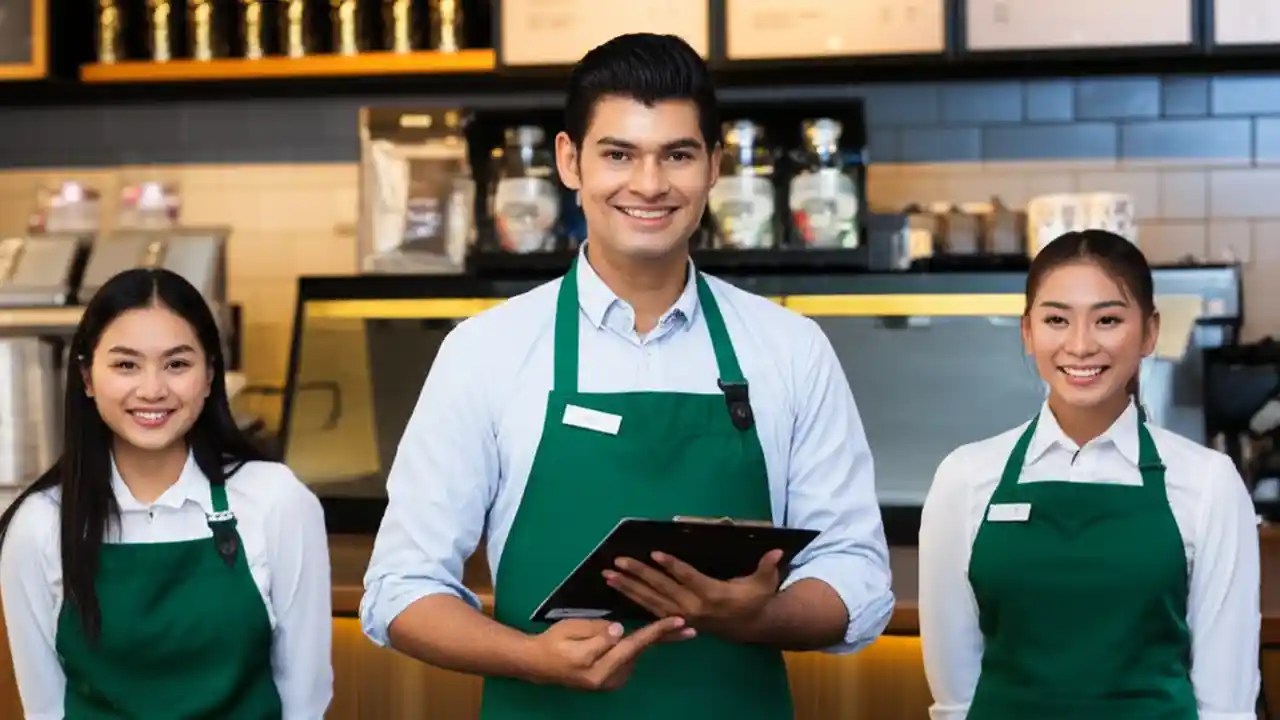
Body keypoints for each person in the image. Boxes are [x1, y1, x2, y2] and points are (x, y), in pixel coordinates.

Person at [360, 32, 893, 719]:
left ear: (713, 166)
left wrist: (756, 618)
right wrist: (532, 658)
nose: (649, 185)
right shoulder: (485, 351)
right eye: (619, 154)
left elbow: (856, 572)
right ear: (569, 161)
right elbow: (401, 589)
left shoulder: (791, 348)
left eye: (677, 154)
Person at [918, 229, 1261, 719]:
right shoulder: (965, 477)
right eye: (1057, 319)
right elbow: (955, 701)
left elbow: (1225, 706)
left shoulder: (1209, 482)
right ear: (1027, 332)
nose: (1080, 345)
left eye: (1108, 319)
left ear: (1148, 332)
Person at [0, 268, 333, 718]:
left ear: (210, 374)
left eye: (177, 364)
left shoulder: (277, 502)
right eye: (125, 365)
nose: (153, 390)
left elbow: (305, 697)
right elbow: (45, 708)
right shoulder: (40, 525)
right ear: (87, 378)